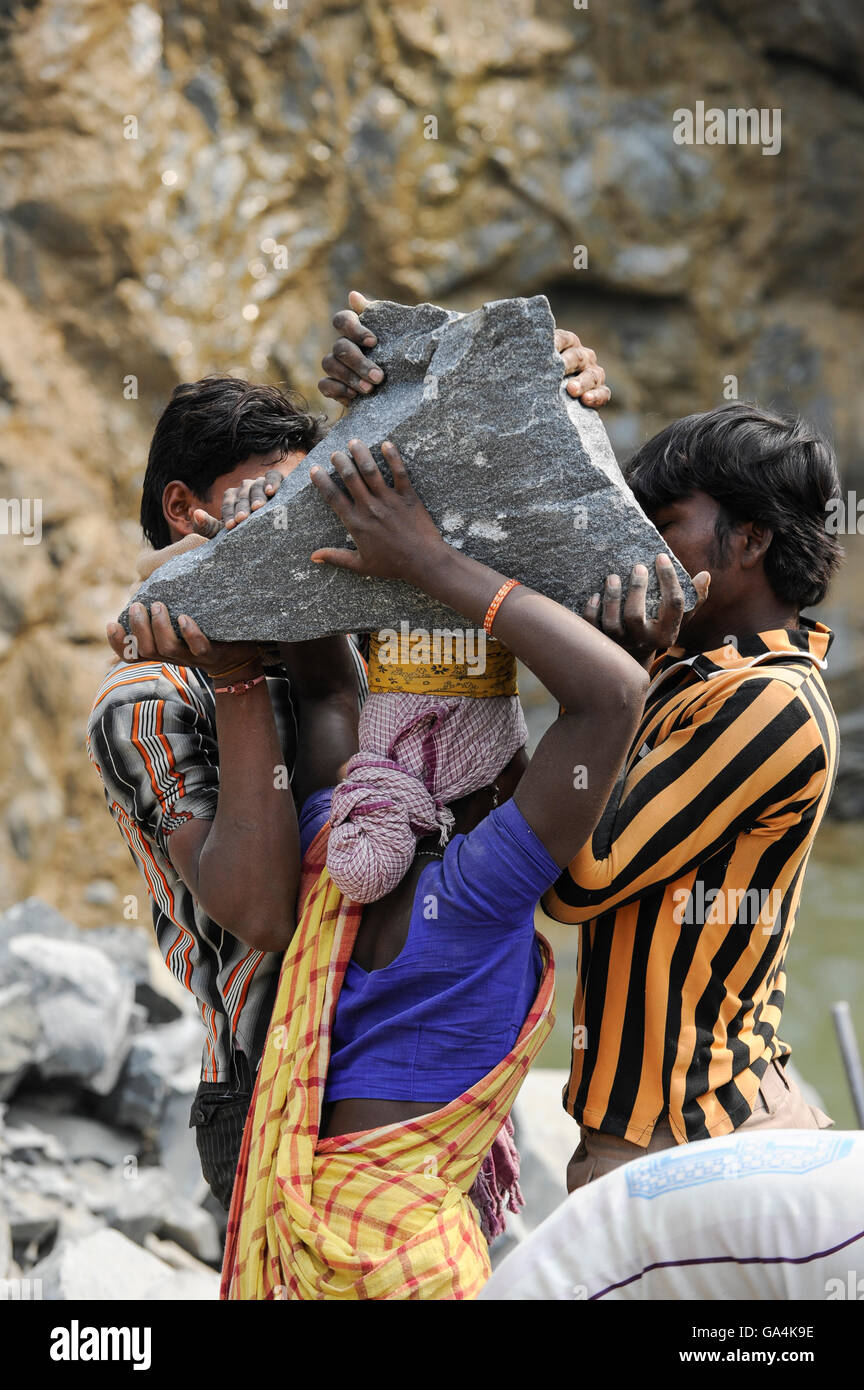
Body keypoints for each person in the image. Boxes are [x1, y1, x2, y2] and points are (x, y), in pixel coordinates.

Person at [85, 295, 611, 1211]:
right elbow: (265, 914)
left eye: (302, 508)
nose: (298, 540)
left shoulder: (339, 636)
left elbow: (467, 669)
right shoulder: (151, 696)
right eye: (269, 506)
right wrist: (244, 671)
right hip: (272, 1085)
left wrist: (549, 387)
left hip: (414, 1036)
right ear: (183, 509)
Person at [220, 437, 651, 1300]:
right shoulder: (478, 890)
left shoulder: (328, 847)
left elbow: (328, 693)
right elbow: (609, 698)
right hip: (407, 1257)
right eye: (519, 760)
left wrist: (269, 540)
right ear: (492, 783)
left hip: (322, 1202)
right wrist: (426, 559)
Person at [540, 402, 842, 1188]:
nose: (641, 548)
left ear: (750, 538)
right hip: (664, 1141)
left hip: (692, 1149)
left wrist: (605, 678)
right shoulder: (688, 673)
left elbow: (580, 876)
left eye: (663, 522)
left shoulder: (768, 701)